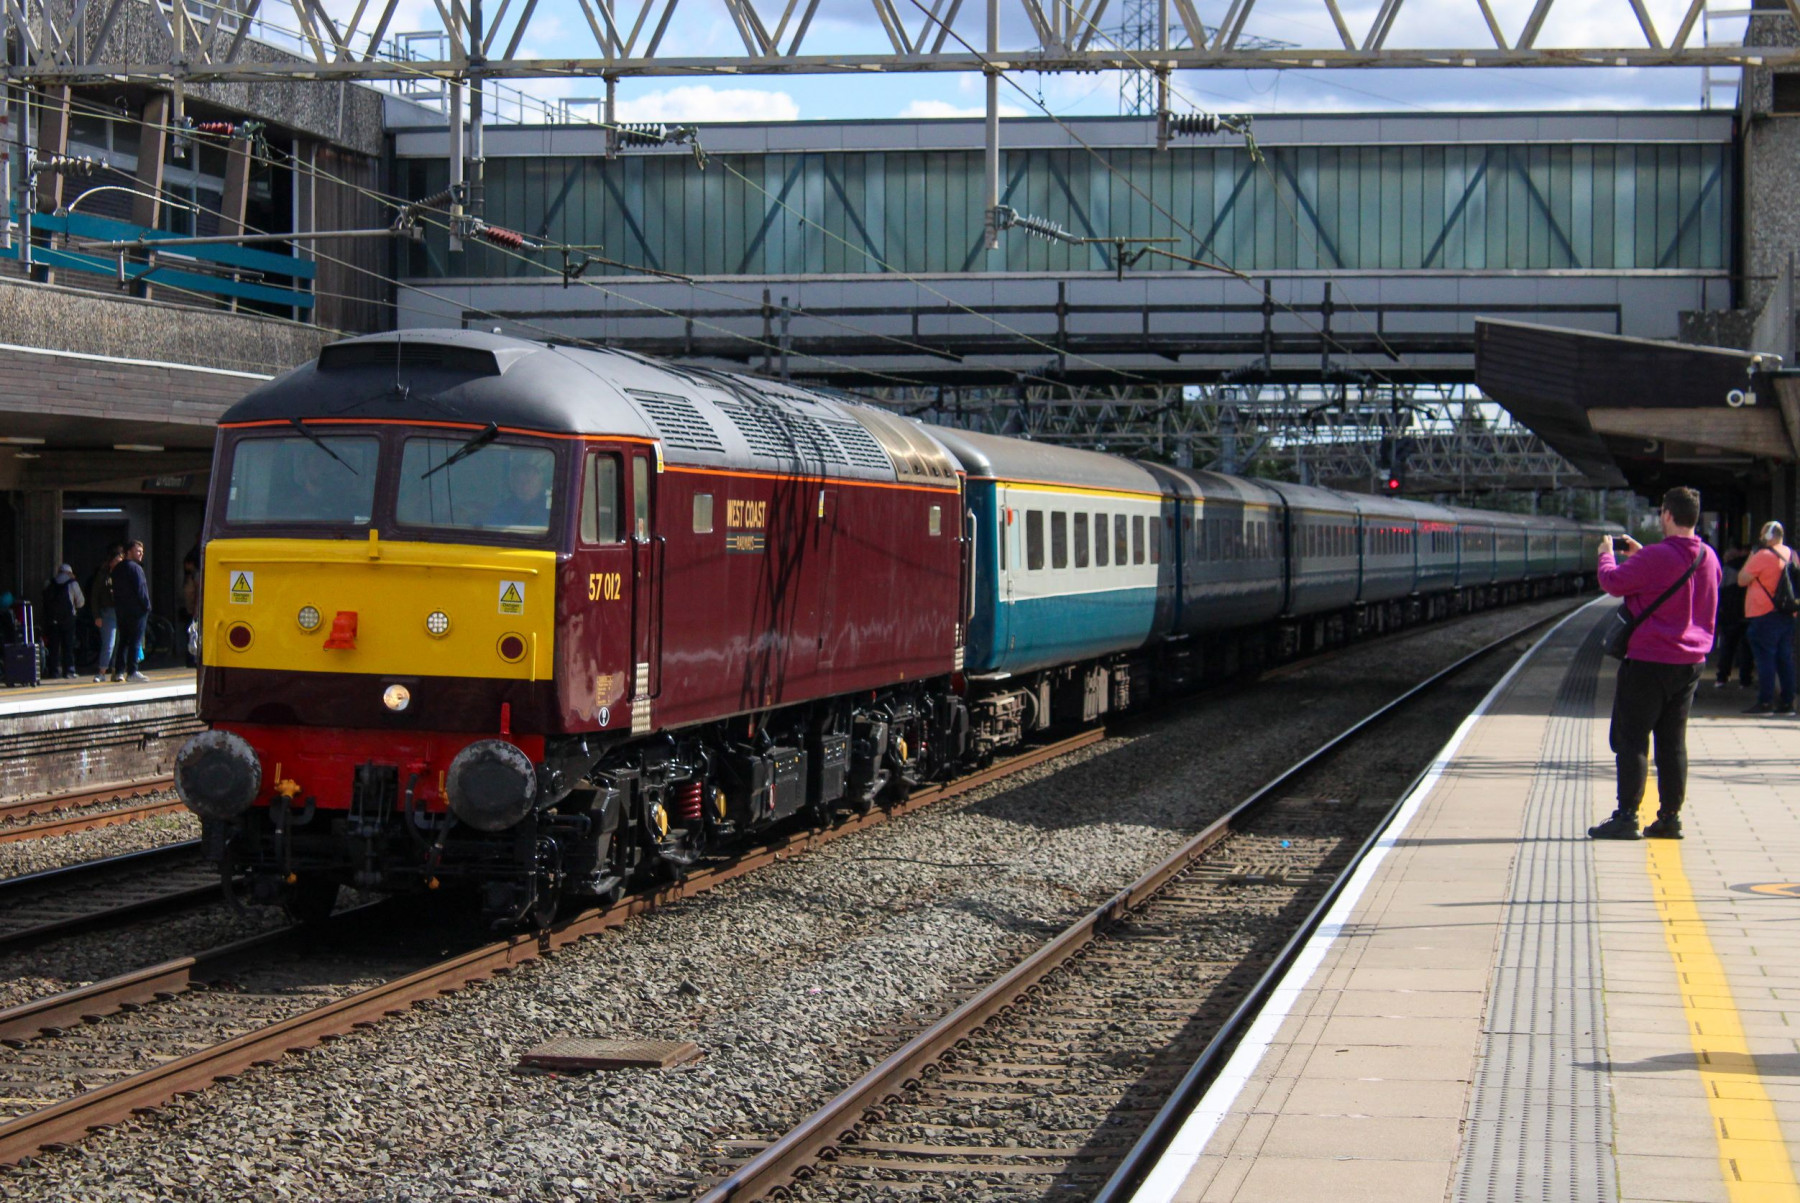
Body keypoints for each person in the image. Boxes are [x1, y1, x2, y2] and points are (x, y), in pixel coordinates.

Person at [1589, 487, 1720, 841]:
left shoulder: (1658, 557)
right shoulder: (1709, 558)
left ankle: (1627, 816)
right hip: (1691, 663)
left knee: (1631, 739)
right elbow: (1678, 578)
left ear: (1666, 515)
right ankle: (1670, 818)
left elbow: (1612, 582)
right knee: (1673, 743)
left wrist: (1606, 554)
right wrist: (1643, 554)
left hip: (1649, 661)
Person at [1738, 520, 1796, 716]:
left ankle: (1765, 703)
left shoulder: (1762, 555)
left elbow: (1742, 579)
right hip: (1786, 613)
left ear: (1767, 536)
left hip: (1763, 613)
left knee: (1765, 660)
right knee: (1784, 659)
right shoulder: (1791, 554)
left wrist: (1752, 555)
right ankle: (1788, 703)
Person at [1714, 545, 1755, 689]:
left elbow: (1720, 591)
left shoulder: (1728, 569)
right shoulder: (1752, 567)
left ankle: (1722, 677)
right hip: (1748, 612)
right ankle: (1745, 680)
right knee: (1746, 649)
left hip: (1730, 614)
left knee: (1727, 647)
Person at [110, 540, 151, 683]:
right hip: (136, 611)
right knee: (135, 640)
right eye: (138, 550)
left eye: (142, 551)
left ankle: (119, 671)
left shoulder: (117, 569)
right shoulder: (136, 568)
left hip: (121, 610)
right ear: (128, 552)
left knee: (123, 641)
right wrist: (147, 606)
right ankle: (133, 671)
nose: (141, 554)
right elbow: (141, 590)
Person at [39, 564, 84, 680]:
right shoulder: (73, 583)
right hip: (68, 619)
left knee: (53, 646)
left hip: (52, 619)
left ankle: (53, 671)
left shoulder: (49, 583)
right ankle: (69, 670)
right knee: (68, 645)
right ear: (69, 572)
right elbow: (81, 602)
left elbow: (44, 600)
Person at [89, 545, 122, 682]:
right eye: (116, 561)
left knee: (120, 643)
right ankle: (102, 671)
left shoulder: (125, 573)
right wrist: (96, 615)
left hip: (122, 611)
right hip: (107, 611)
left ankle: (117, 671)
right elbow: (95, 596)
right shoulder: (103, 575)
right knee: (109, 643)